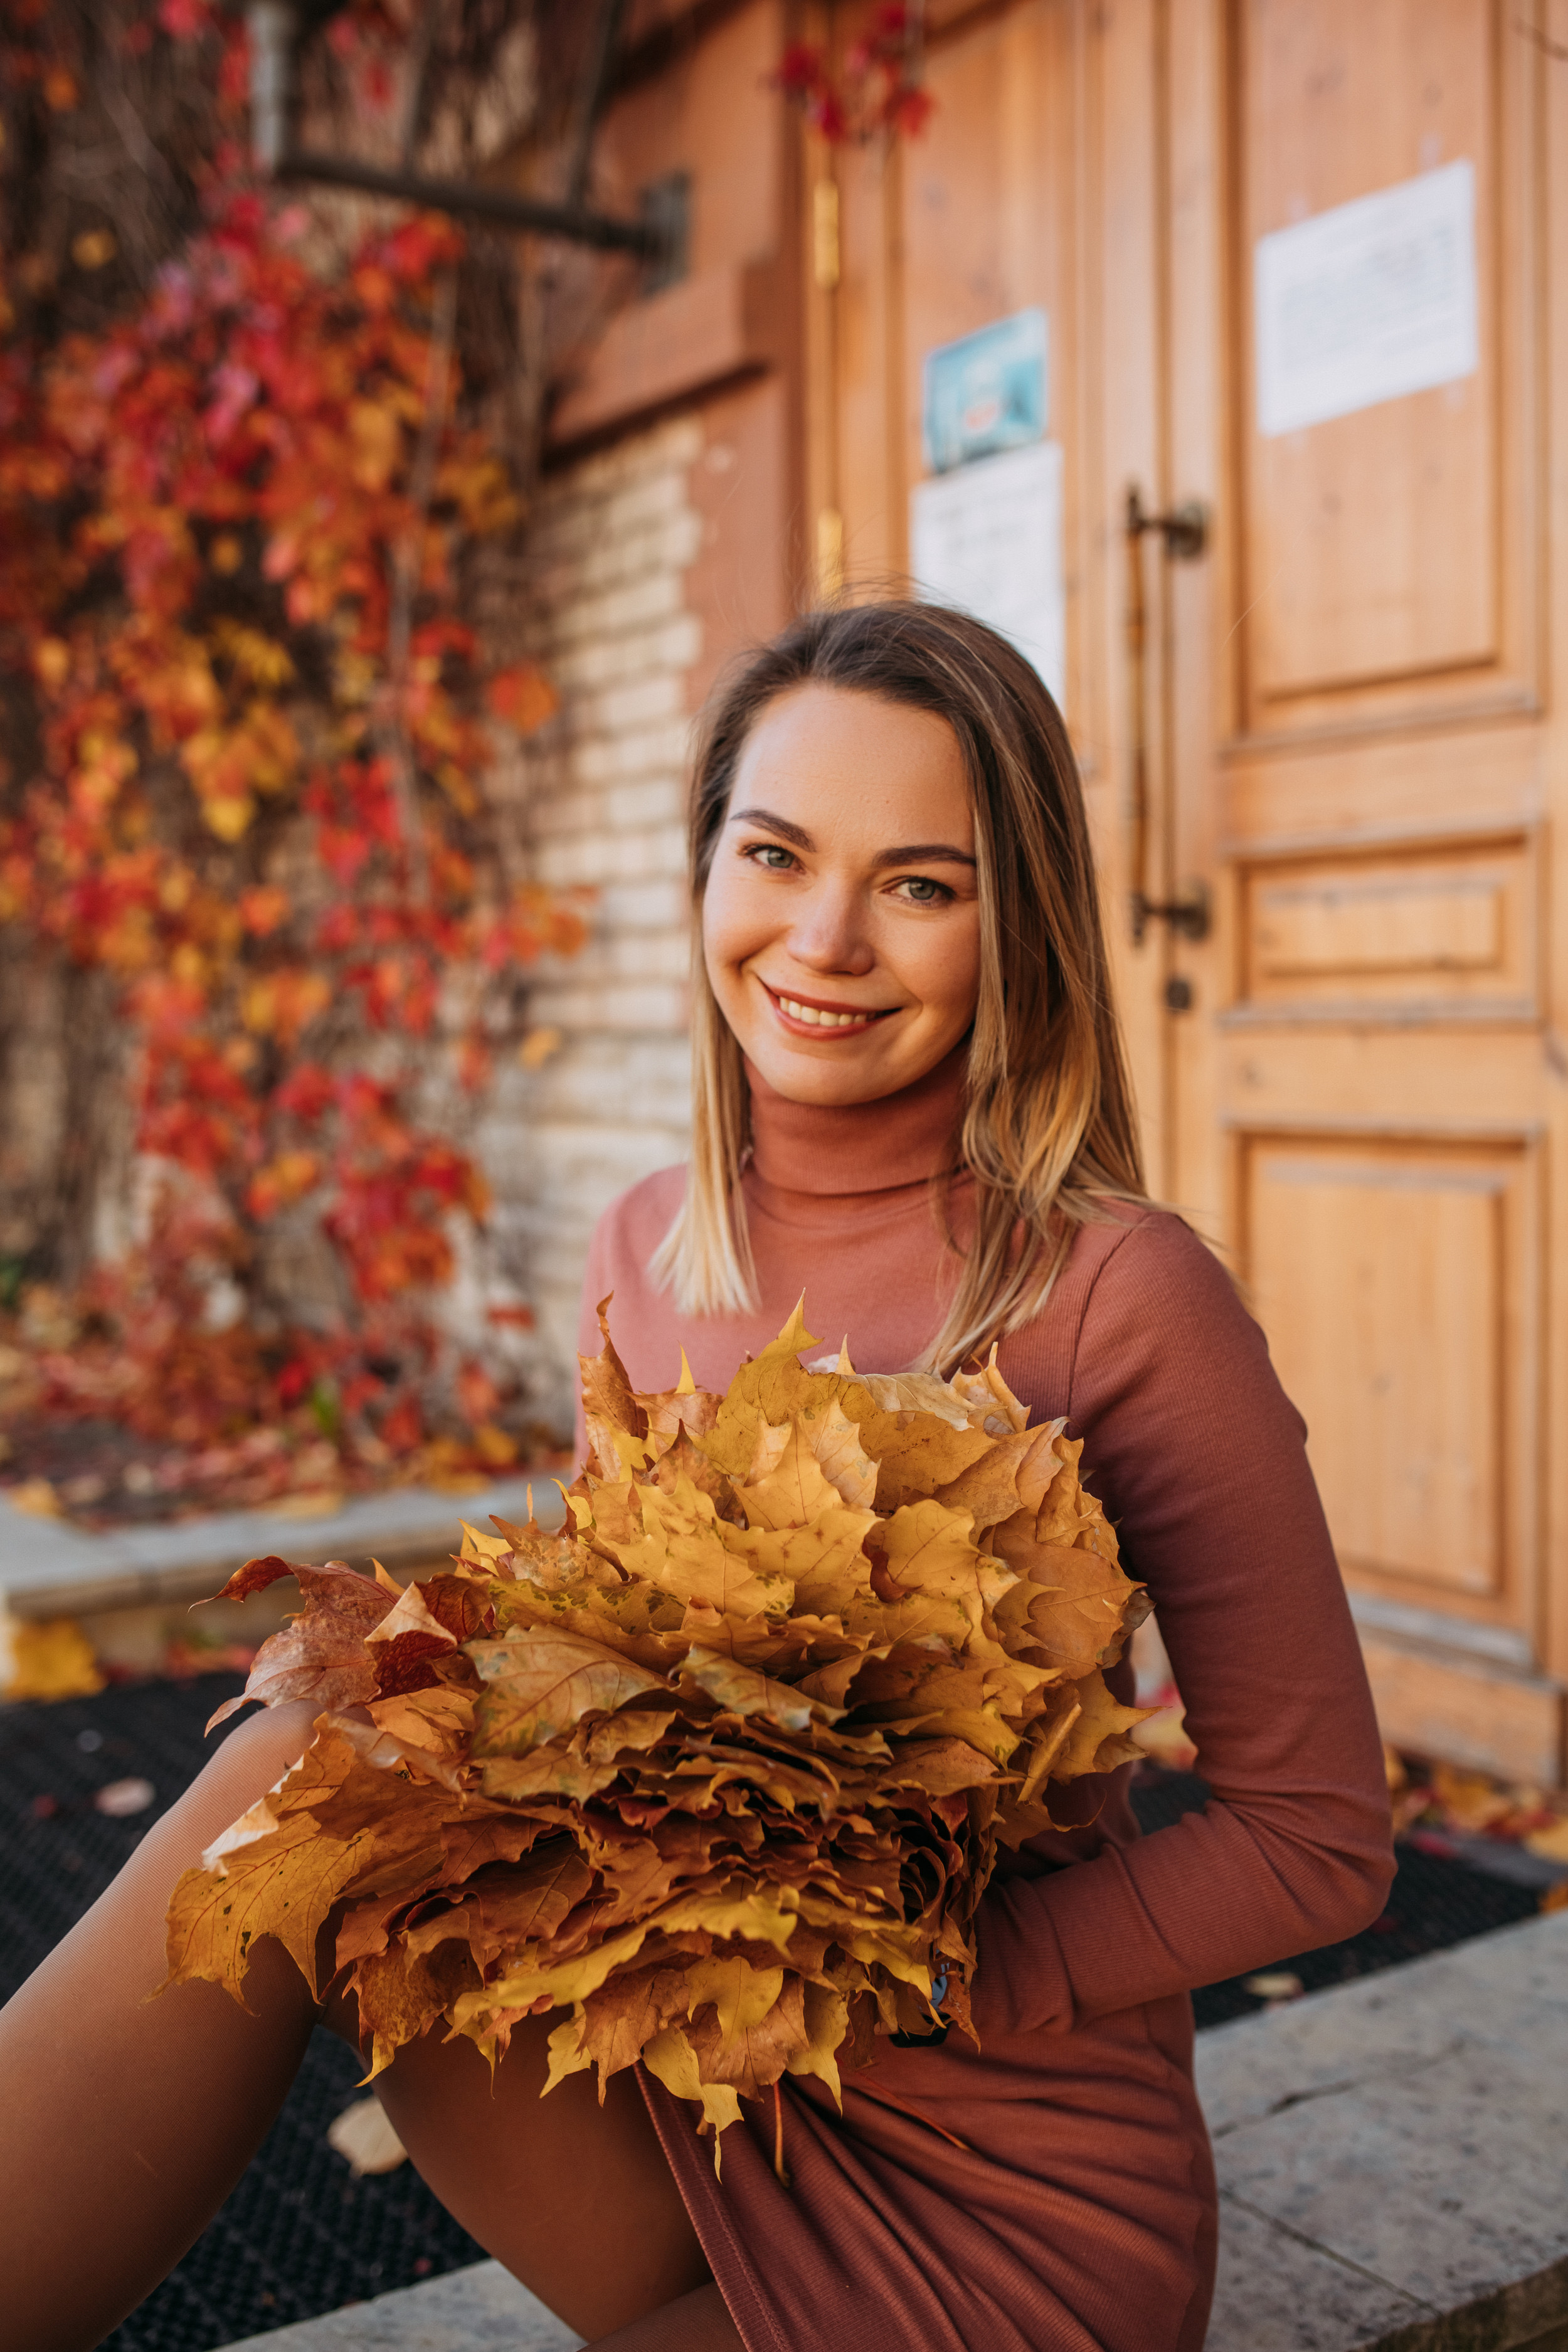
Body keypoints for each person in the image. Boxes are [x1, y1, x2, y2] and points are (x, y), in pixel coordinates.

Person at [0, 601, 1393, 2352]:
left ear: (1014, 922)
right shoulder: (646, 1243)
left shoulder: (1116, 1288)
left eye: (918, 882)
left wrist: (918, 1985)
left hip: (997, 2184)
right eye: (776, 852)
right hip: (673, 2103)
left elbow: (1318, 1843)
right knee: (328, 1746)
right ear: (705, 871)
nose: (823, 935)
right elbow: (608, 1729)